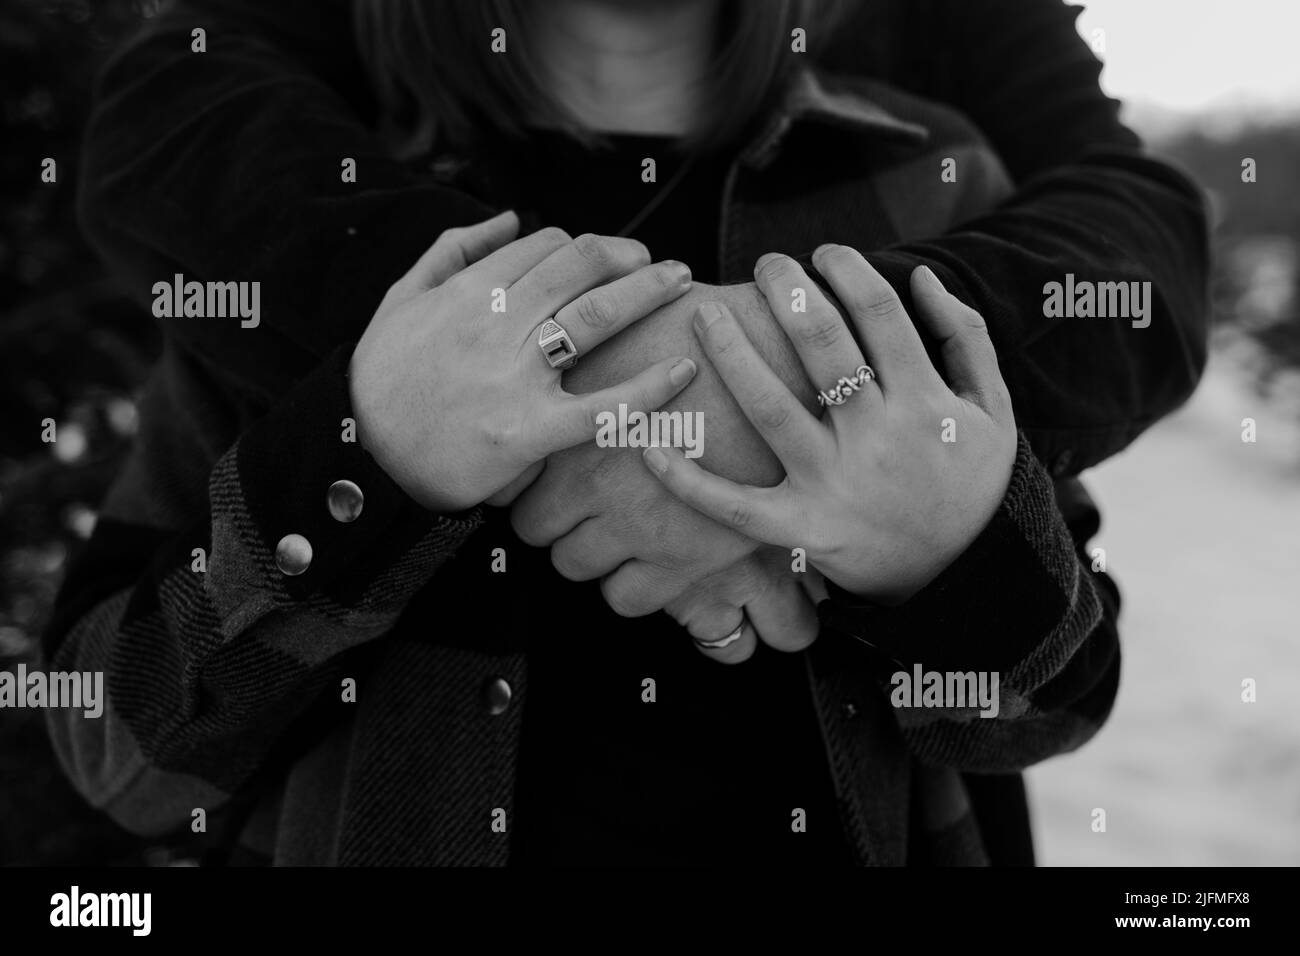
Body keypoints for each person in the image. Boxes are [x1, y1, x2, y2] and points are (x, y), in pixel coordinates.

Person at [45, 0, 1208, 865]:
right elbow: (119, 754)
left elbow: (1058, 703)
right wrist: (370, 457)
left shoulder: (926, 178)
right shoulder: (315, 206)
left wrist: (935, 555)